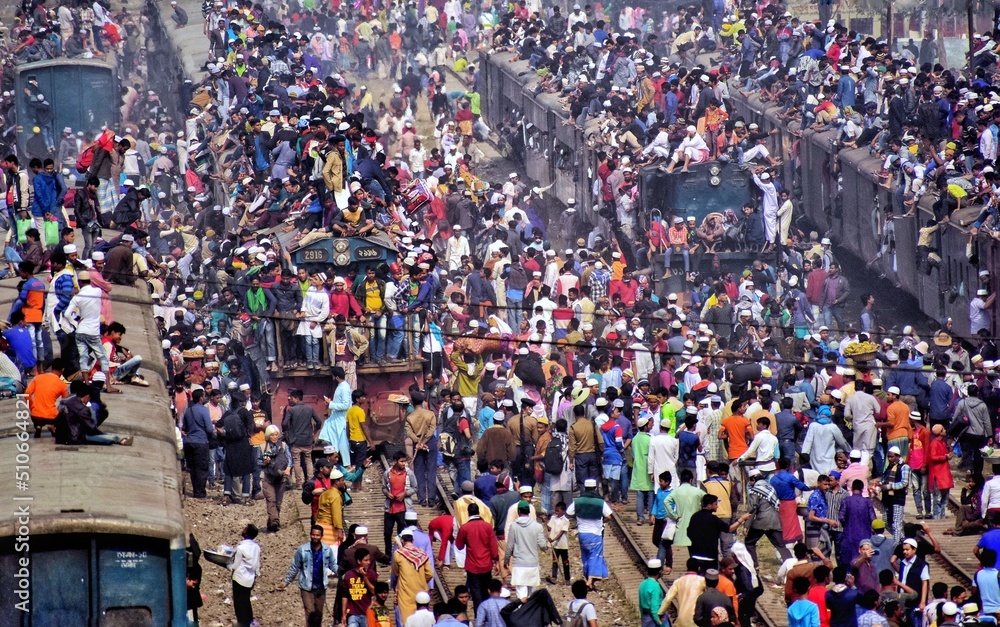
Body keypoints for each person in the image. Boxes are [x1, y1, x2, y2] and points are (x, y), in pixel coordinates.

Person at [278, 525, 338, 623]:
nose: (315, 537)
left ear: (321, 536)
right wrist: (286, 582)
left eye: (317, 535)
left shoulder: (327, 550)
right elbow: (295, 567)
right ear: (310, 535)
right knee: (310, 613)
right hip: (306, 587)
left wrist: (343, 575)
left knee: (319, 614)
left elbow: (333, 565)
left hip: (321, 586)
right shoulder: (302, 550)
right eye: (313, 535)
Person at [53, 380, 133, 445]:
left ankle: (117, 439)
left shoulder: (68, 401)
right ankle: (118, 439)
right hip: (74, 436)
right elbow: (91, 428)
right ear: (87, 397)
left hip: (61, 435)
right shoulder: (83, 408)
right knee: (108, 438)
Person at [567, 478, 613, 590]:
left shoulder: (578, 501)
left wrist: (579, 517)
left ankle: (589, 580)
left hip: (582, 534)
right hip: (595, 534)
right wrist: (601, 521)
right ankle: (589, 581)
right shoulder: (600, 502)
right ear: (595, 488)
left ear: (585, 488)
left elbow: (568, 512)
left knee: (586, 556)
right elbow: (609, 516)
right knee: (595, 556)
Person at [455, 502, 498, 610]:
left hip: (472, 565)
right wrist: (496, 560)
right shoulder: (487, 527)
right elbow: (493, 547)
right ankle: (487, 612)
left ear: (468, 513)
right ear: (479, 512)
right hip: (486, 564)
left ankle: (479, 614)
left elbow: (459, 545)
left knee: (475, 590)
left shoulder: (465, 528)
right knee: (486, 589)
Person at [504, 501, 548, 600]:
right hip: (532, 564)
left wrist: (506, 560)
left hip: (519, 564)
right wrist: (546, 545)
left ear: (518, 511)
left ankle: (522, 613)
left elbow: (509, 546)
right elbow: (542, 545)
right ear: (529, 511)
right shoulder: (537, 526)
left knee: (521, 596)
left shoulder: (514, 526)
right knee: (532, 595)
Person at [391, 530, 433, 625]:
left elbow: (395, 571)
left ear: (402, 540)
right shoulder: (423, 554)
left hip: (405, 591)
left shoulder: (398, 553)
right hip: (421, 589)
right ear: (413, 541)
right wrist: (421, 578)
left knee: (406, 619)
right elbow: (429, 573)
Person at [283, 388, 322, 487]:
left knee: (296, 461)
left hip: (296, 440)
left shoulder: (291, 410)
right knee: (308, 460)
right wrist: (314, 432)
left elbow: (284, 424)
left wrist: (288, 434)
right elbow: (319, 422)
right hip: (308, 439)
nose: (290, 399)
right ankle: (309, 481)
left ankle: (299, 483)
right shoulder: (309, 408)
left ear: (296, 398)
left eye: (291, 398)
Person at [181, 388, 214, 498]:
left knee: (193, 467)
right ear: (201, 398)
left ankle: (196, 490)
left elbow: (184, 427)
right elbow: (209, 429)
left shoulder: (188, 410)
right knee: (202, 468)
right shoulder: (204, 410)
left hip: (189, 441)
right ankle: (200, 492)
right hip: (201, 441)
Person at [259, 425, 292, 531]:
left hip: (281, 478)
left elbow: (289, 459)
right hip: (267, 477)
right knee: (271, 499)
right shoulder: (262, 447)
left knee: (278, 502)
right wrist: (265, 462)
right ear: (268, 436)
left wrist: (288, 469)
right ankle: (275, 521)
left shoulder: (283, 445)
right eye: (272, 435)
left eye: (276, 434)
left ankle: (272, 521)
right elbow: (256, 462)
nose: (274, 437)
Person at [383, 450, 417, 553]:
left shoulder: (409, 473)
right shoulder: (387, 473)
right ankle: (388, 554)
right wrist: (387, 493)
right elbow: (384, 487)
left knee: (401, 532)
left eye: (405, 461)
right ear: (395, 461)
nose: (404, 464)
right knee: (387, 533)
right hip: (390, 508)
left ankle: (401, 552)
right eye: (401, 461)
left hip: (403, 507)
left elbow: (415, 488)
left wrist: (405, 494)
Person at [26, 357, 69, 438]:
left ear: (51, 368)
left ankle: (38, 426)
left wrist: (32, 407)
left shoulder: (37, 378)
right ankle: (53, 426)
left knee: (38, 415)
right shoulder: (63, 385)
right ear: (62, 370)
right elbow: (67, 402)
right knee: (63, 414)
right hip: (51, 417)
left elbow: (27, 394)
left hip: (35, 416)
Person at [228, 524, 261, 627]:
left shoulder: (240, 548)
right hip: (250, 578)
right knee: (246, 601)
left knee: (238, 603)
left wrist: (227, 565)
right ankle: (250, 622)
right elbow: (257, 564)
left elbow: (235, 565)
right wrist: (256, 575)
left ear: (246, 533)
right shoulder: (256, 547)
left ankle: (242, 623)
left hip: (239, 578)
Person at [661, 559, 706, 627]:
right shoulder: (702, 581)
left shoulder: (678, 581)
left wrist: (660, 613)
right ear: (699, 568)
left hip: (681, 621)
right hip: (696, 621)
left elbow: (668, 599)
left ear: (687, 568)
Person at [341, 547, 376, 627]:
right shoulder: (349, 575)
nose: (369, 562)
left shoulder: (371, 574)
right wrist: (343, 614)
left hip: (367, 612)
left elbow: (374, 592)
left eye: (369, 560)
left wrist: (365, 578)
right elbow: (345, 596)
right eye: (366, 560)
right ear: (359, 561)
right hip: (353, 613)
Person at [316, 468, 348, 544]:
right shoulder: (336, 496)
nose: (343, 483)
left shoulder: (324, 494)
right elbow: (336, 514)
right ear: (336, 482)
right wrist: (339, 530)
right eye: (342, 480)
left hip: (320, 525)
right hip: (330, 529)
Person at [640, 558, 666, 627]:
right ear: (659, 571)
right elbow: (654, 607)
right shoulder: (655, 586)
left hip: (645, 617)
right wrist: (660, 623)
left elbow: (640, 604)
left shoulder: (643, 583)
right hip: (653, 619)